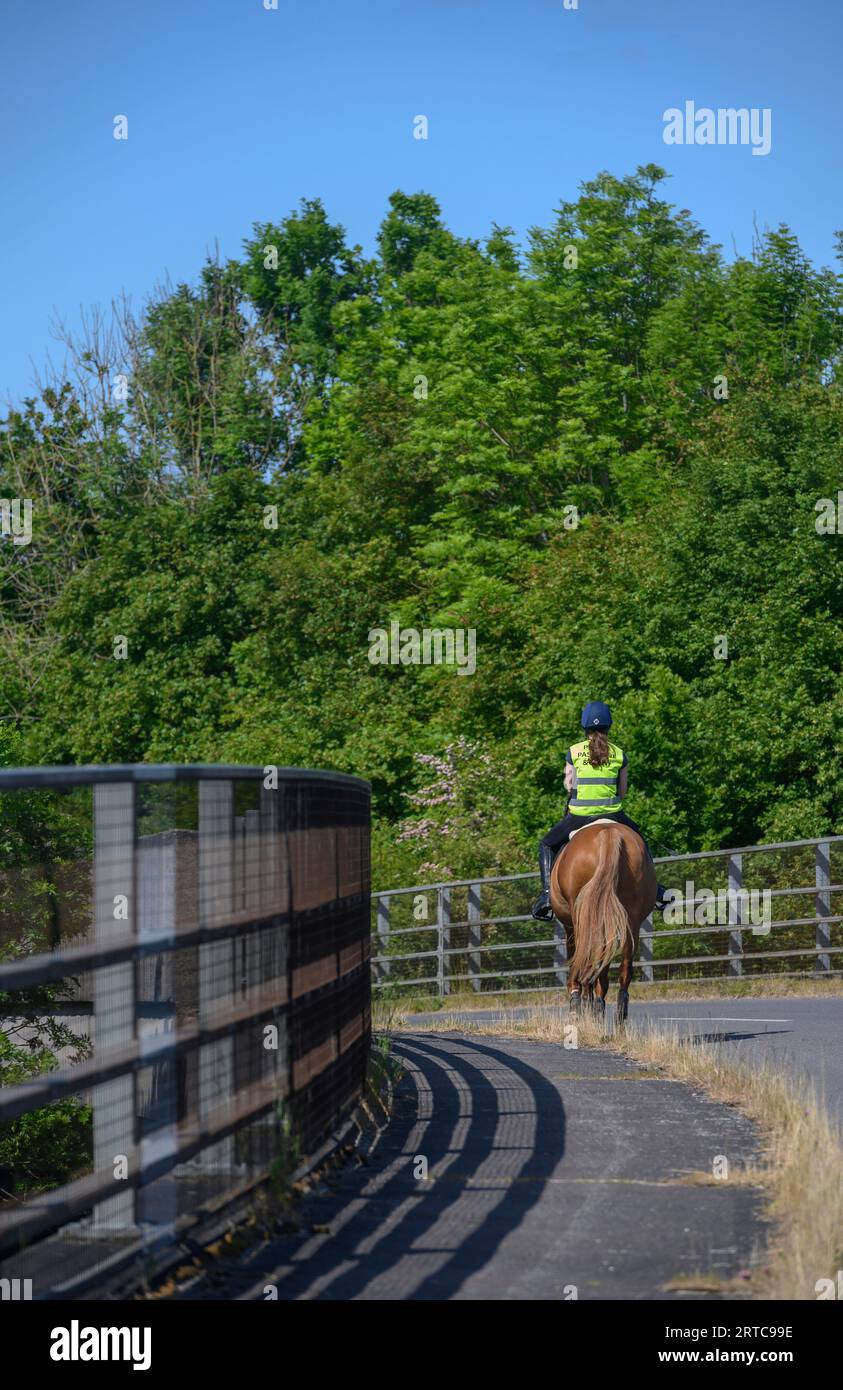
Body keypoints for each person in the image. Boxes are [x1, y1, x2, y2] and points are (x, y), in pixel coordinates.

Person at [530, 701, 669, 921]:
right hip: (614, 815)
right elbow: (622, 792)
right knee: (639, 841)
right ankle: (658, 890)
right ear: (609, 727)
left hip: (579, 817)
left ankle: (547, 896)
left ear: (584, 727)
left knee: (546, 844)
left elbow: (568, 784)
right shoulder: (619, 754)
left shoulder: (574, 752)